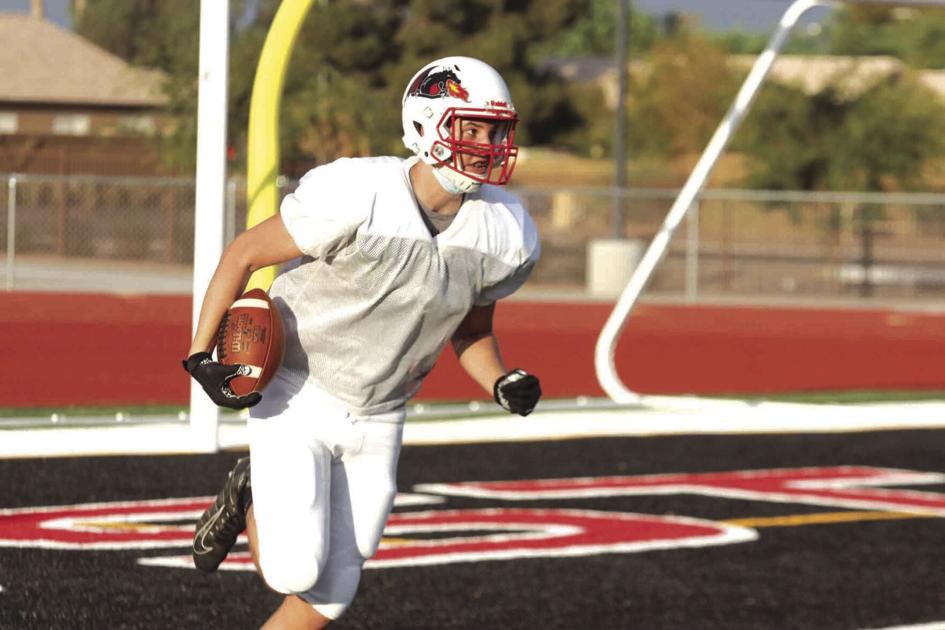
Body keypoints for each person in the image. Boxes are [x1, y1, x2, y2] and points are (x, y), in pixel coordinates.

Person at [183, 56, 542, 629]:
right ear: (427, 125)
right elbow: (244, 253)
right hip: (300, 386)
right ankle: (248, 491)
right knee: (293, 572)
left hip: (380, 410)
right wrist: (202, 354)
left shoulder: (505, 231)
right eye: (470, 128)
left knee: (331, 595)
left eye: (495, 130)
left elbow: (472, 330)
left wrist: (501, 379)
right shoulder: (360, 192)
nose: (486, 144)